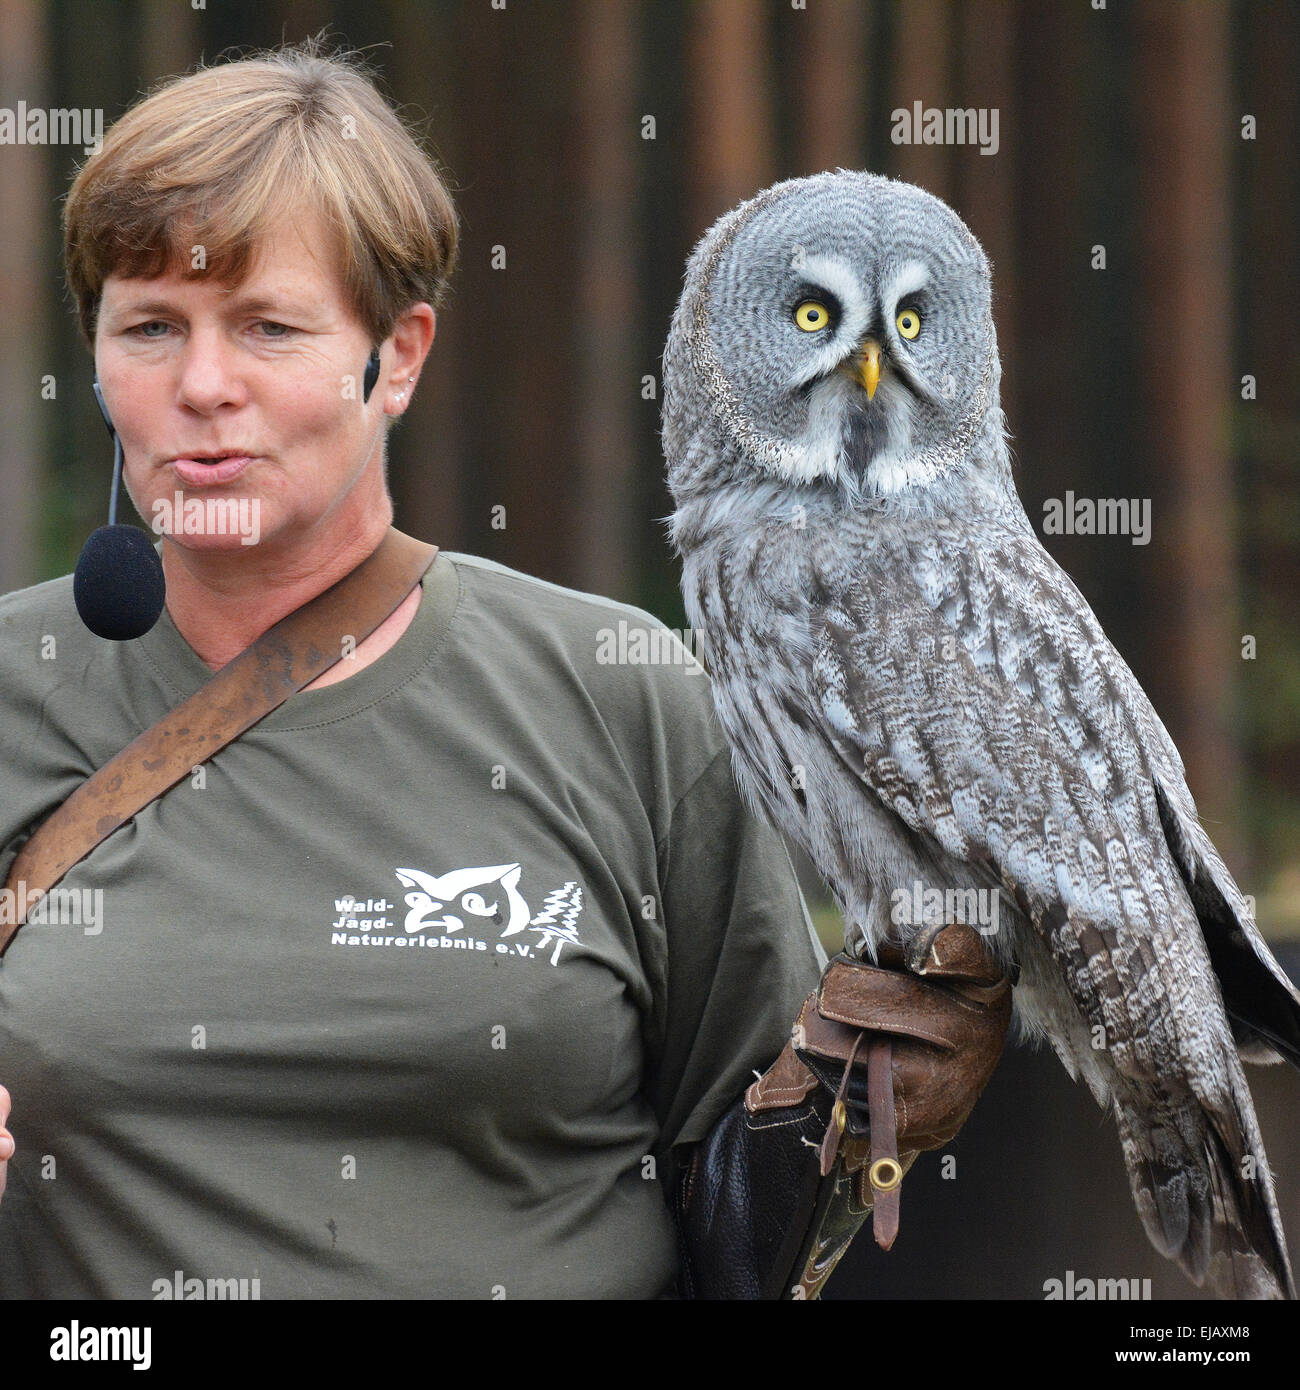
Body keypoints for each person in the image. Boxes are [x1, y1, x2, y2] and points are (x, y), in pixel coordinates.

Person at [0, 40, 1006, 1300]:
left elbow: (748, 1211)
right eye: (150, 327)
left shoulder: (625, 693)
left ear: (399, 355)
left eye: (268, 326)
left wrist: (845, 1139)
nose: (204, 387)